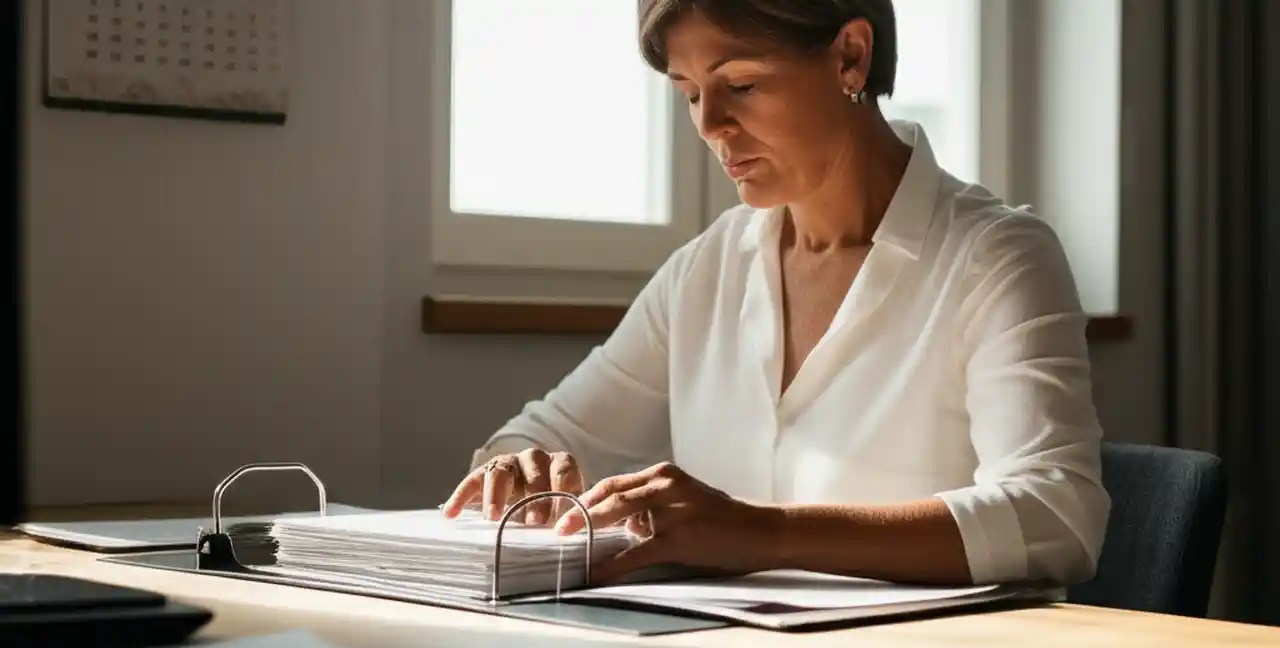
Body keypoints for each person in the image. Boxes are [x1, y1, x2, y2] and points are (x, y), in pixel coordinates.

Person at [442, 0, 1110, 589]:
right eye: (690, 93)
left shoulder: (997, 257)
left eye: (742, 83)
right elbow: (541, 435)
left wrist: (767, 534)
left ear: (850, 57)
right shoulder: (706, 270)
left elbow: (1056, 514)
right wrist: (519, 467)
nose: (710, 124)